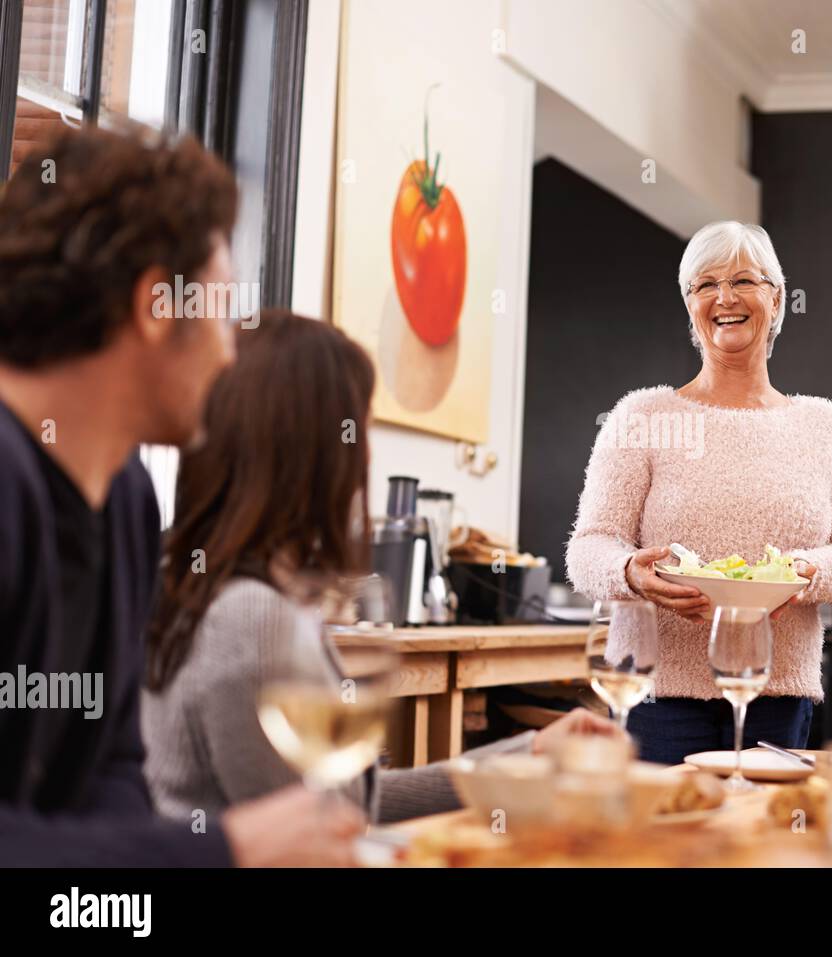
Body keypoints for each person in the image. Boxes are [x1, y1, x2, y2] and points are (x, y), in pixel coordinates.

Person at [0, 126, 360, 865]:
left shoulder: (127, 498)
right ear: (155, 306)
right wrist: (222, 853)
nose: (232, 352)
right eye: (223, 314)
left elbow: (111, 773)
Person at [143, 312, 622, 820]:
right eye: (359, 428)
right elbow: (324, 825)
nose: (366, 452)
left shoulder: (217, 585)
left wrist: (530, 755)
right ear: (312, 447)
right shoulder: (252, 614)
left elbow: (353, 799)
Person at [566, 221, 832, 765]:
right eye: (705, 285)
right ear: (690, 305)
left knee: (758, 844)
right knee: (664, 843)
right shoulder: (643, 415)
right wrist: (630, 573)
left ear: (777, 298)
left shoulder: (825, 425)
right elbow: (589, 546)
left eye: (743, 281)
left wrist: (803, 573)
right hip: (658, 693)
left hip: (777, 693)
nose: (724, 298)